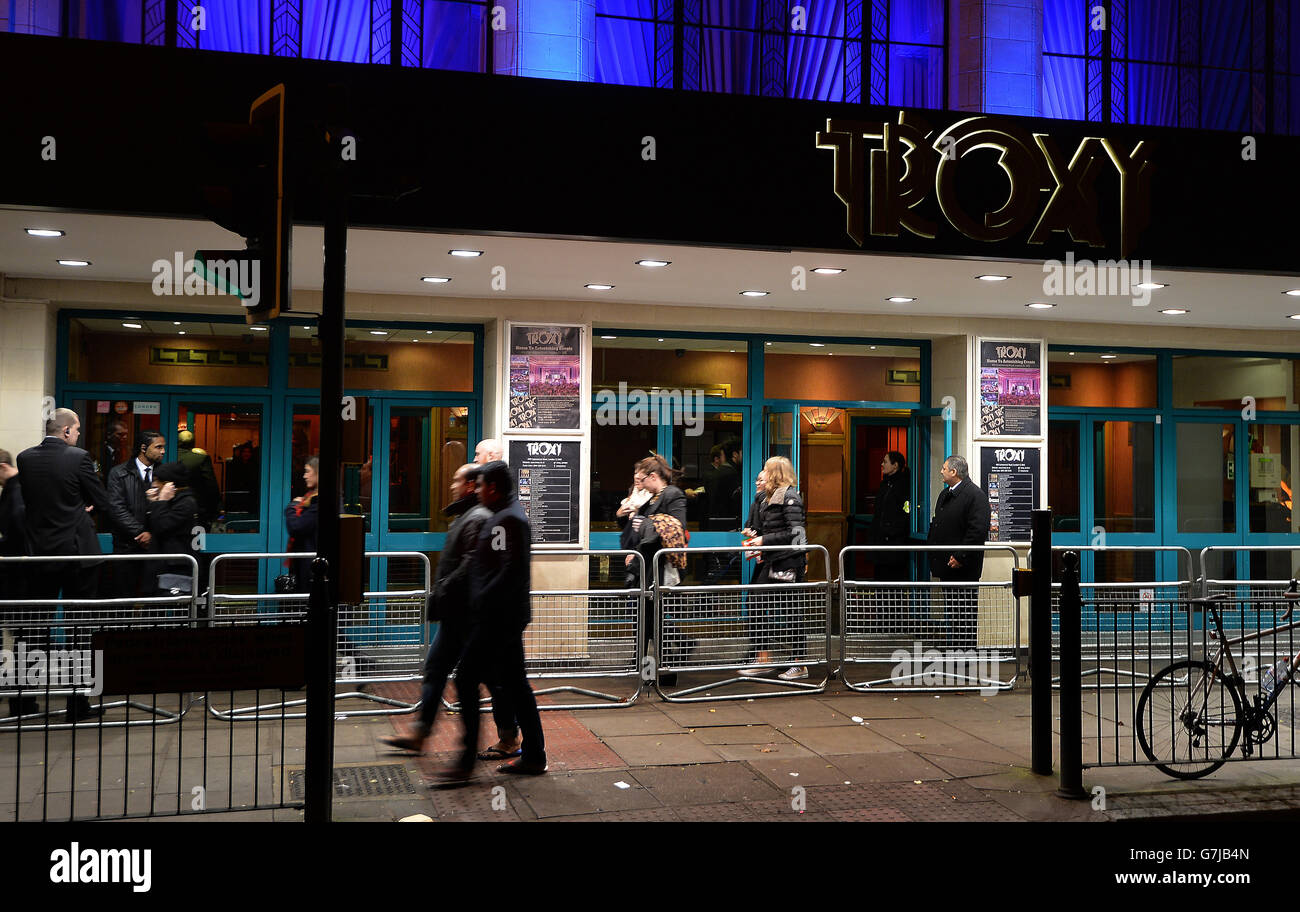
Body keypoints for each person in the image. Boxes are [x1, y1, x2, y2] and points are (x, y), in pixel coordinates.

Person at [379, 464, 506, 767]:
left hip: (464, 613)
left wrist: (445, 588)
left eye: (456, 480)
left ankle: (498, 737)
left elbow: (471, 563)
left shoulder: (476, 518)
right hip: (457, 614)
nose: (451, 485)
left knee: (477, 678)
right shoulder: (468, 515)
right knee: (439, 670)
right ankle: (421, 734)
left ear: (470, 486)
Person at [17, 408, 113, 720]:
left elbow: (40, 501)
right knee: (79, 630)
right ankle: (77, 703)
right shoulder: (78, 457)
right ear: (68, 431)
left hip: (41, 554)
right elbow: (101, 498)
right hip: (76, 554)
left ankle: (24, 700)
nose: (80, 435)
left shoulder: (25, 459)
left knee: (33, 628)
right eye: (78, 430)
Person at [456, 461, 547, 776]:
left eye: (480, 485)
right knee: (514, 685)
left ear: (493, 488)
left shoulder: (506, 520)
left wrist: (479, 599)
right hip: (505, 617)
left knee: (467, 676)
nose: (477, 490)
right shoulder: (509, 515)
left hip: (499, 619)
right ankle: (533, 754)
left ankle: (467, 761)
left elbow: (506, 571)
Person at [739, 456, 809, 681]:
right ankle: (764, 658)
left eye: (766, 471)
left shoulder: (789, 497)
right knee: (757, 604)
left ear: (776, 474)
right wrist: (758, 539)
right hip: (774, 559)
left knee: (789, 612)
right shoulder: (770, 498)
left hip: (788, 561)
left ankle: (799, 663)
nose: (763, 475)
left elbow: (797, 533)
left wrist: (764, 541)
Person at [926, 455, 991, 649]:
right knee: (952, 610)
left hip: (963, 567)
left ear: (954, 472)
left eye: (944, 468)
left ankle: (965, 652)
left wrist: (960, 556)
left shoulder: (975, 495)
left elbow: (977, 531)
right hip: (947, 564)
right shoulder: (946, 494)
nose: (941, 471)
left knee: (964, 612)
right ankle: (954, 647)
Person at [0, 449, 37, 718]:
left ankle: (22, 703)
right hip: (19, 576)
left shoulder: (16, 492)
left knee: (23, 639)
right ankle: (21, 702)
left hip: (18, 577)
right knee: (23, 638)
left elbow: (16, 533)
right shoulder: (17, 489)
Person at [106, 430, 165, 597]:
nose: (163, 451)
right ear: (143, 448)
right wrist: (140, 532)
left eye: (164, 447)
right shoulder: (119, 473)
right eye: (158, 447)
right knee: (124, 597)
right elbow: (116, 508)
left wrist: (152, 533)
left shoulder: (165, 474)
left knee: (153, 601)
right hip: (126, 546)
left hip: (155, 548)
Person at [145, 462, 200, 592]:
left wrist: (161, 502)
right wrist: (155, 503)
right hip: (163, 565)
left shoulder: (186, 503)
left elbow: (161, 526)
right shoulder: (170, 502)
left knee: (171, 606)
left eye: (158, 481)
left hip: (176, 567)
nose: (154, 485)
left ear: (170, 484)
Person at [870, 451, 912, 582]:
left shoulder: (903, 485)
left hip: (894, 544)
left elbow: (906, 511)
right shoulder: (885, 484)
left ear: (895, 465)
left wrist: (892, 530)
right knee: (880, 580)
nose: (882, 464)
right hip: (881, 542)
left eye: (885, 461)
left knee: (892, 581)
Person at [284, 456, 319, 590]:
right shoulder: (311, 498)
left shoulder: (317, 501)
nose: (304, 476)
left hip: (310, 563)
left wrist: (292, 507)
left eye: (307, 471)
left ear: (317, 473)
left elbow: (296, 527)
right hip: (308, 562)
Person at [177, 430, 221, 529]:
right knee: (198, 541)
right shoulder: (200, 458)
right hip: (196, 509)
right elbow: (211, 486)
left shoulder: (166, 456)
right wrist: (215, 509)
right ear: (193, 442)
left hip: (170, 508)